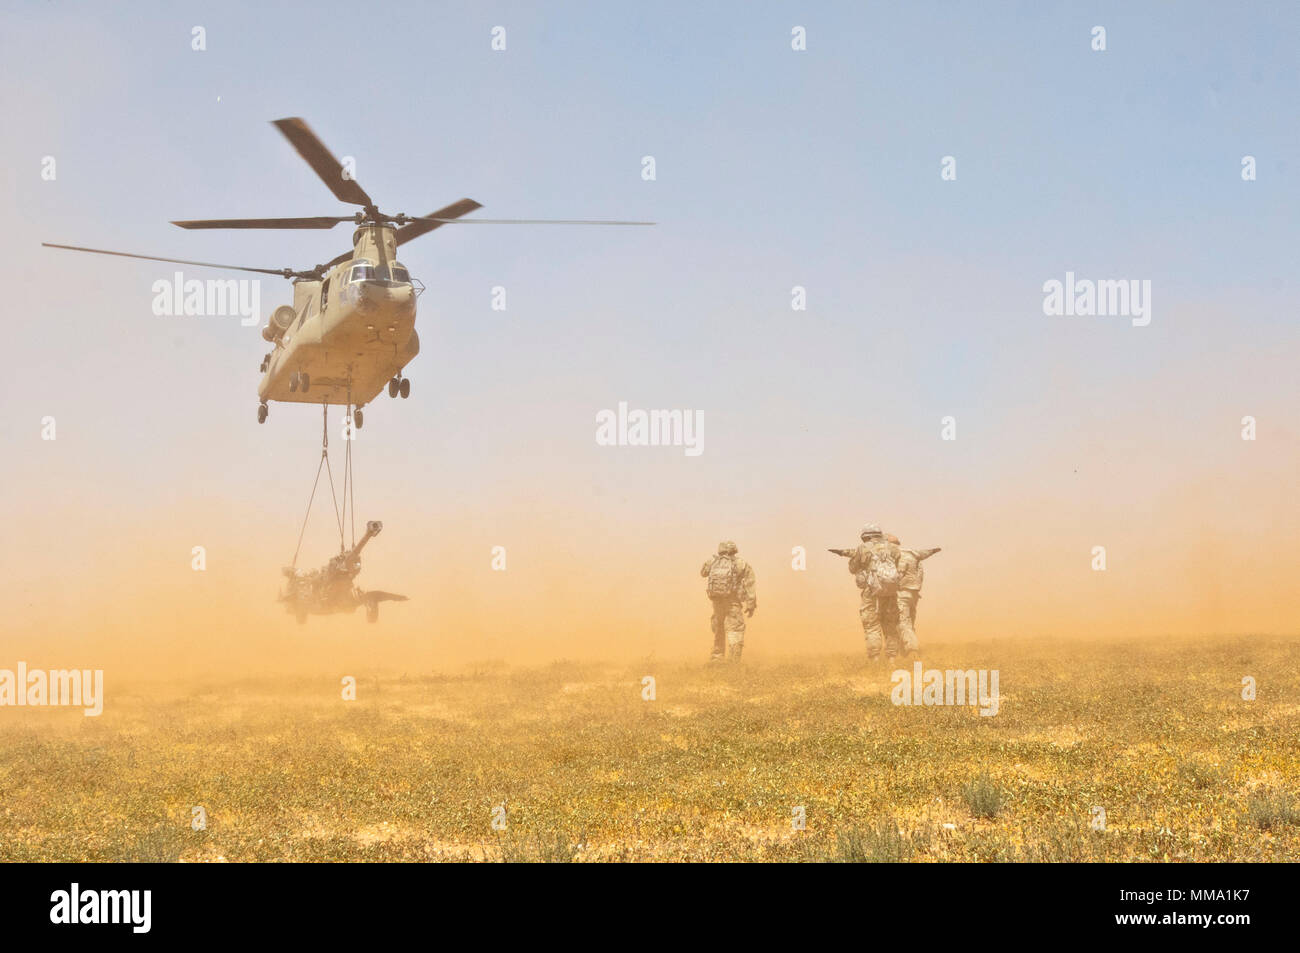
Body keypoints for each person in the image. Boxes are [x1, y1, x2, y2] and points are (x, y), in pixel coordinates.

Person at [847, 524, 901, 660]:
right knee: (891, 624)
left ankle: (875, 658)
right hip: (890, 592)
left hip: (871, 591)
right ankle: (892, 659)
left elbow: (853, 568)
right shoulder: (893, 548)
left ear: (866, 536)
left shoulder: (862, 548)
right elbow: (899, 568)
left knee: (871, 623)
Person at [700, 540, 756, 662]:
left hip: (717, 602)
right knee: (735, 628)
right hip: (733, 601)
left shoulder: (712, 561)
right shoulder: (741, 563)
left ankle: (717, 658)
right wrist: (750, 603)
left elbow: (703, 573)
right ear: (734, 550)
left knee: (719, 628)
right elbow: (749, 583)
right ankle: (733, 660)